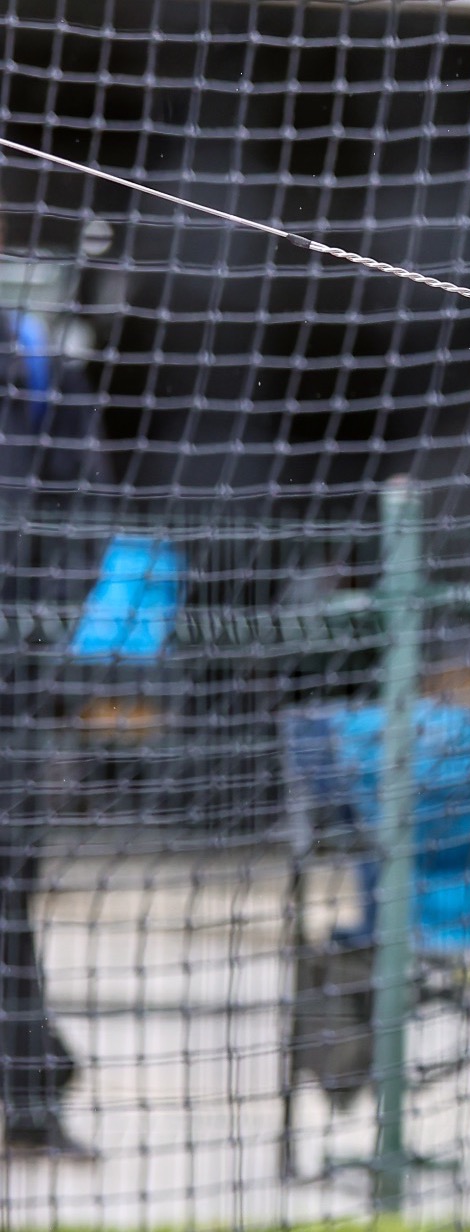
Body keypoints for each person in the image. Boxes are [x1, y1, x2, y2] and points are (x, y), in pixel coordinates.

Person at [0, 292, 99, 1158]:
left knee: (6, 882)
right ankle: (36, 1077)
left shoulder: (30, 352)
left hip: (11, 678)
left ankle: (33, 1093)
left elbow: (83, 513)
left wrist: (37, 634)